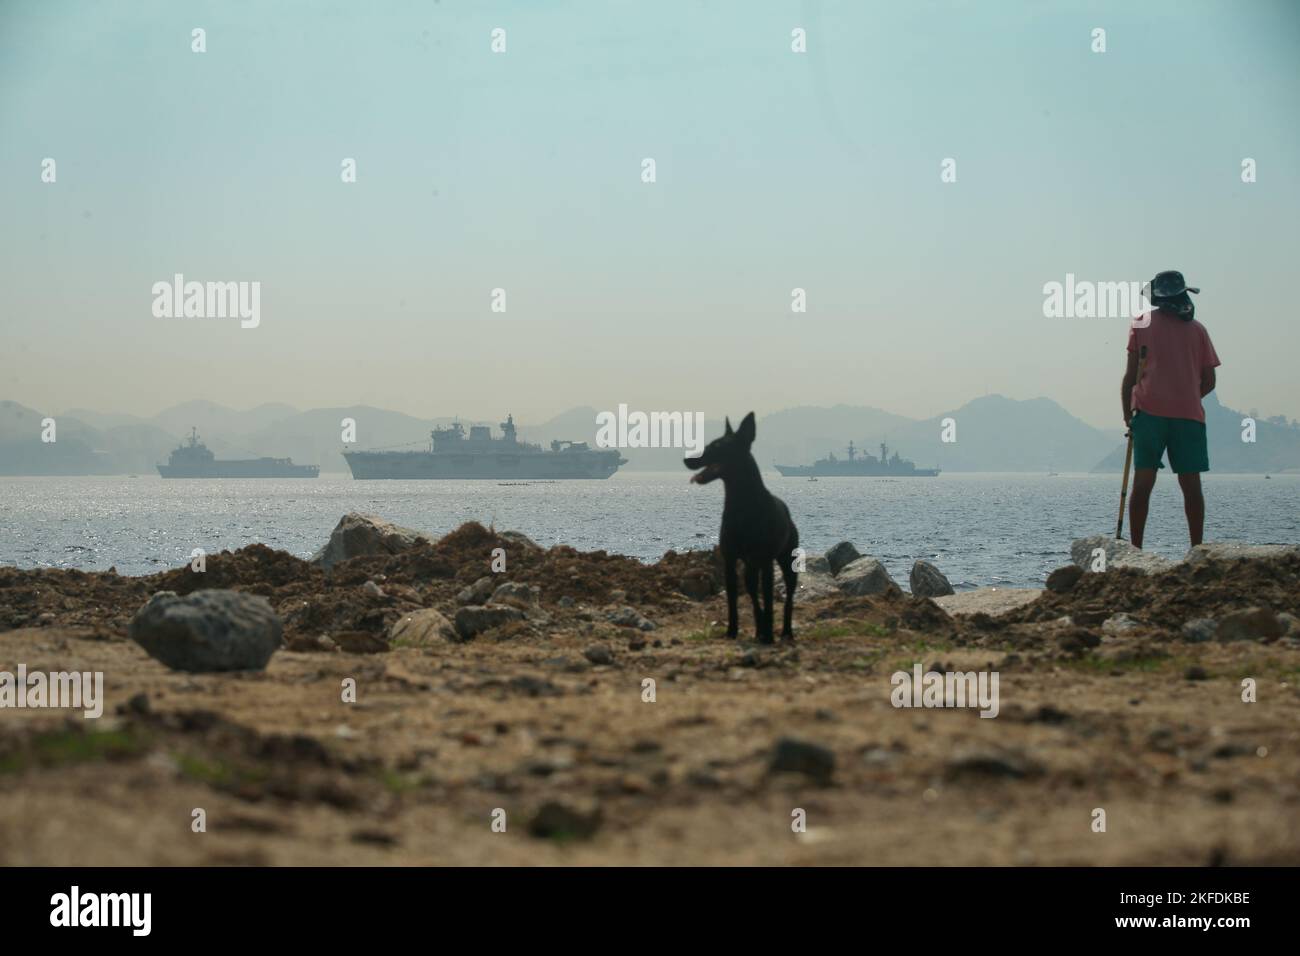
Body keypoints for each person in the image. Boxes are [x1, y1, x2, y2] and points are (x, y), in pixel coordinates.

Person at [1121, 271, 1221, 548]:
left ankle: (1136, 549)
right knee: (1191, 486)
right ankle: (1196, 548)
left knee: (1143, 484)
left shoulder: (1142, 323)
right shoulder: (1199, 330)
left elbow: (1131, 377)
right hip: (1188, 416)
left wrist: (1128, 414)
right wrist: (1186, 395)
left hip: (1148, 414)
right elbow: (1210, 381)